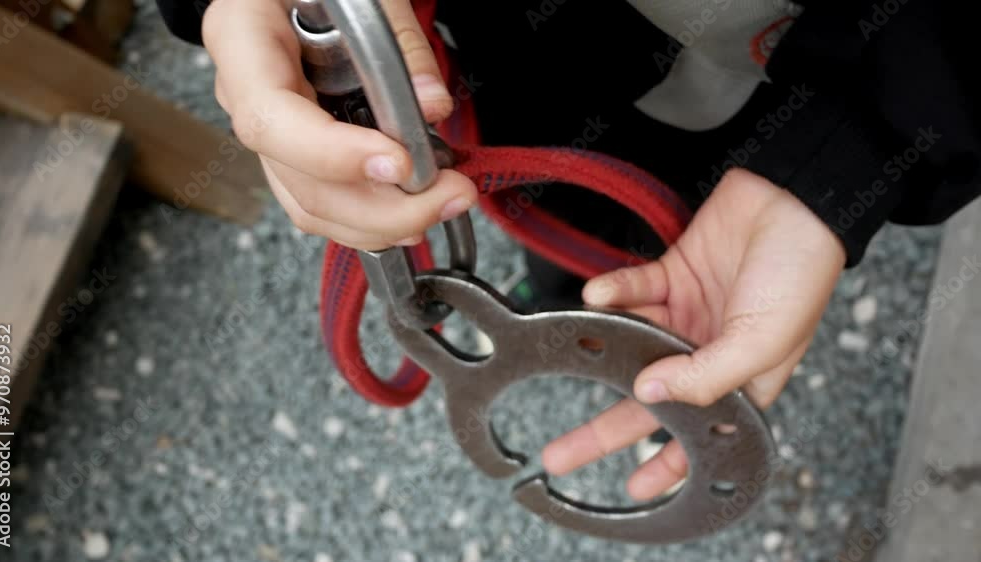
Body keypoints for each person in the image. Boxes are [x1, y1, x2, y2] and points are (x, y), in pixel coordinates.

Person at [155, 0, 979, 501]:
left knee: (679, 200)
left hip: (786, 57)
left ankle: (608, 292)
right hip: (521, 50)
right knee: (570, 209)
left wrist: (850, 149)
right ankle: (570, 287)